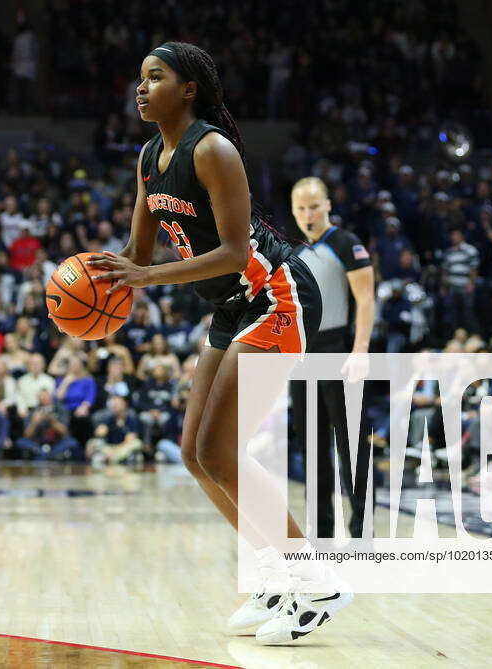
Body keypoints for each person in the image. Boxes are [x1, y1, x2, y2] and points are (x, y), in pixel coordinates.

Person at [85, 42, 349, 644]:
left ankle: (317, 582)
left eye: (156, 78)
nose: (141, 87)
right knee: (194, 452)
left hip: (274, 295)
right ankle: (277, 575)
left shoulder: (212, 149)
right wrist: (94, 280)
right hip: (227, 307)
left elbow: (232, 251)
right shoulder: (150, 157)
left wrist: (146, 279)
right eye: (139, 78)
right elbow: (139, 254)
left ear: (189, 90)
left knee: (221, 446)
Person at [290, 176, 375, 539]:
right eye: (301, 208)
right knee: (313, 446)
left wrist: (360, 349)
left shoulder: (346, 243)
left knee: (350, 442)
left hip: (339, 350)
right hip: (302, 354)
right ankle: (321, 529)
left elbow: (367, 299)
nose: (308, 214)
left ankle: (361, 527)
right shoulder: (292, 252)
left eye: (314, 206)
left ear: (328, 205)